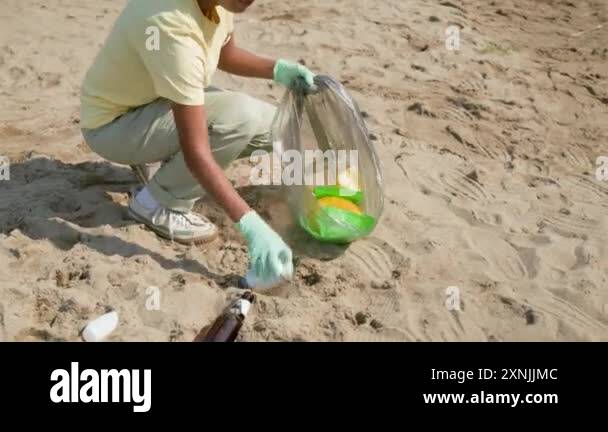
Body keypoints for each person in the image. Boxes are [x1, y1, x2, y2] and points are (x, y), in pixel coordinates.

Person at [80, 0, 315, 284]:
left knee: (275, 128)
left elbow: (226, 55)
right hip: (114, 126)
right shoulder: (170, 25)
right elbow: (196, 152)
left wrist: (278, 70)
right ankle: (158, 204)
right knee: (239, 116)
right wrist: (252, 226)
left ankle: (165, 165)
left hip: (153, 102)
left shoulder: (217, 4)